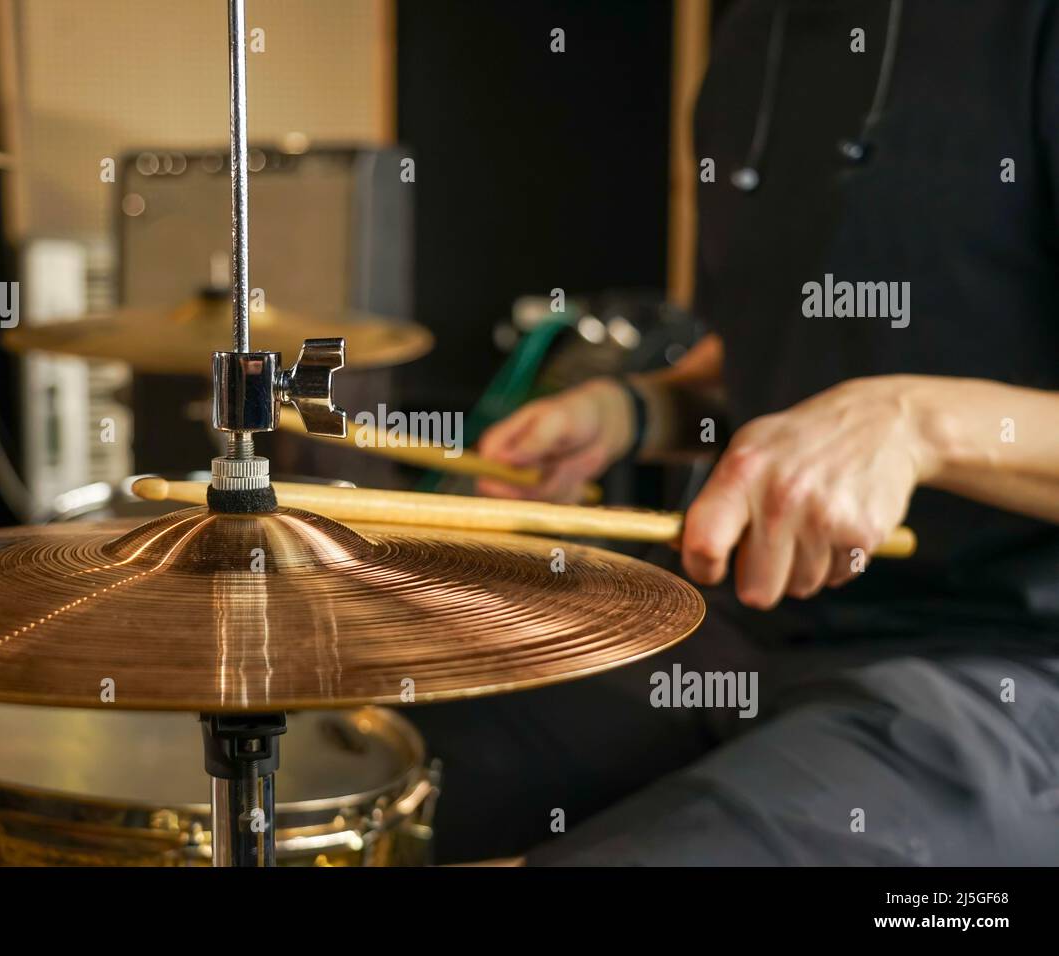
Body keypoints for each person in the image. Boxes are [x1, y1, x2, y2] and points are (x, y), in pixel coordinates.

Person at [407, 0, 1059, 865]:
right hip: (744, 617)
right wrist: (635, 411)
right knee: (376, 753)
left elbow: (879, 397)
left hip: (1003, 664)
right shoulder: (753, 35)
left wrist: (915, 423)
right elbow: (775, 355)